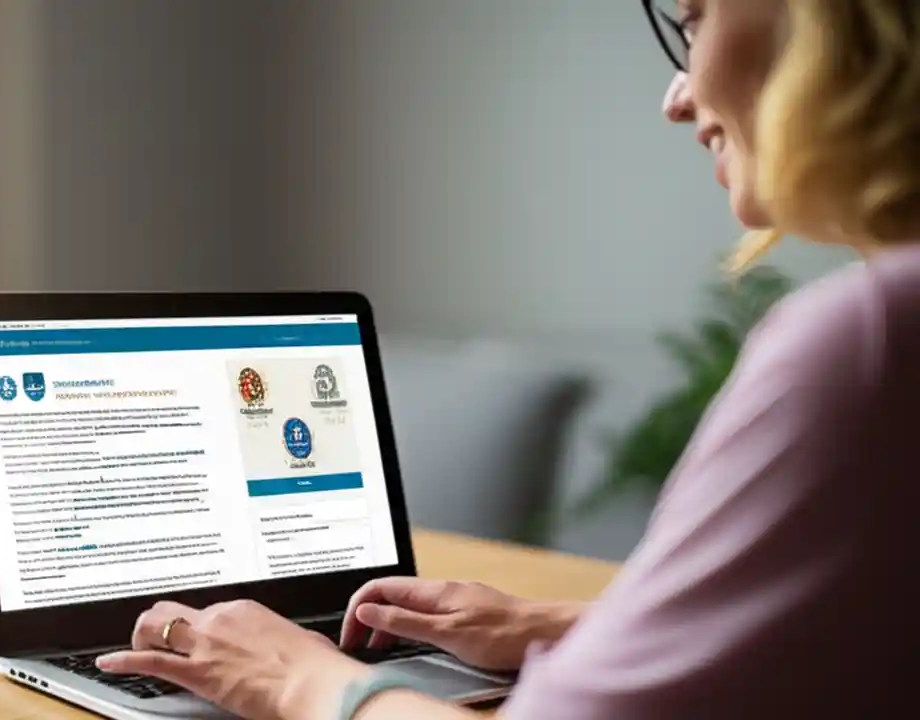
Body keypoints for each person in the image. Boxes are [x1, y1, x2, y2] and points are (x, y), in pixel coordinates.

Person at [97, 1, 920, 717]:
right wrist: (562, 627)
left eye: (694, 18)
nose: (677, 95)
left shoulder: (869, 342)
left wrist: (292, 678)